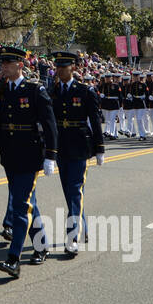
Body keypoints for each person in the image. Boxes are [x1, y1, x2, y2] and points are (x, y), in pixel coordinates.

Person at [0, 46, 56, 278]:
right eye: (1, 63)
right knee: (27, 202)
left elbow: (49, 123)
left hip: (29, 154)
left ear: (20, 64)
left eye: (8, 62)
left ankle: (13, 258)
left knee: (20, 206)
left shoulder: (34, 89)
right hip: (9, 153)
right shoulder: (2, 89)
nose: (3, 66)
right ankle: (41, 243)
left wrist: (50, 155)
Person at [49, 52, 104, 257]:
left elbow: (95, 120)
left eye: (64, 67)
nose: (60, 70)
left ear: (73, 68)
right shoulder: (53, 91)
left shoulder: (84, 91)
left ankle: (72, 237)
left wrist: (100, 148)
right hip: (62, 145)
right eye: (58, 67)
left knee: (75, 189)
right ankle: (84, 228)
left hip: (81, 145)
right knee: (69, 192)